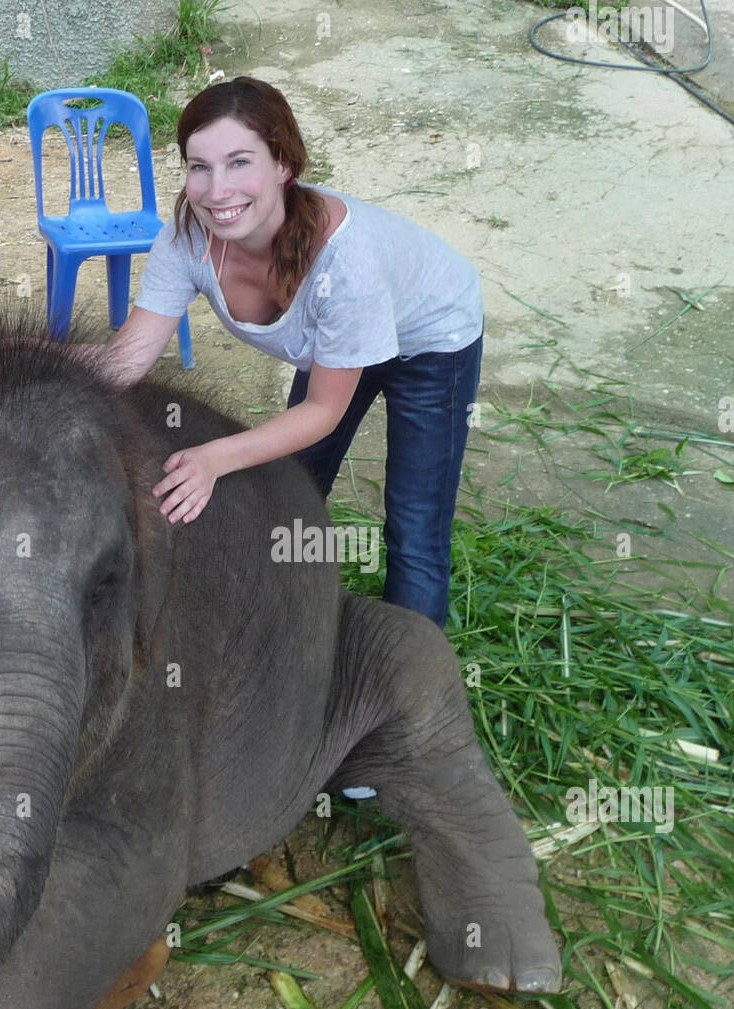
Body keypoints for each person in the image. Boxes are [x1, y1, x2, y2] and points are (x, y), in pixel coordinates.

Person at [86, 76, 483, 628]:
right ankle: (286, 631)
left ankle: (413, 691)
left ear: (284, 164)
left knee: (414, 530)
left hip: (431, 338)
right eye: (200, 166)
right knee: (291, 491)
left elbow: (323, 410)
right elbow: (126, 362)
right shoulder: (187, 239)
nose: (217, 189)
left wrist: (213, 457)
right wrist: (33, 364)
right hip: (336, 347)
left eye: (239, 162)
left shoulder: (347, 265)